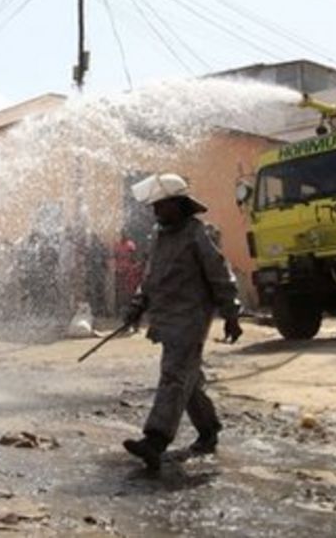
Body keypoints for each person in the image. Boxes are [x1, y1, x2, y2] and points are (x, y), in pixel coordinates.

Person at [121, 173, 242, 472]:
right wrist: (137, 306)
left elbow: (219, 274)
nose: (155, 210)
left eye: (161, 205)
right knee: (188, 379)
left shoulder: (197, 234)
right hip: (166, 317)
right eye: (154, 205)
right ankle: (209, 430)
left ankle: (155, 440)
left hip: (191, 318)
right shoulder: (160, 235)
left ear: (179, 204)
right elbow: (151, 276)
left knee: (174, 376)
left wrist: (231, 314)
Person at [113, 229, 140, 315]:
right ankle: (118, 310)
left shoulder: (130, 245)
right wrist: (116, 267)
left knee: (129, 291)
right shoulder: (117, 245)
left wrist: (134, 266)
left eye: (124, 234)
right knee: (119, 291)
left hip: (129, 271)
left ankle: (129, 309)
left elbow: (134, 257)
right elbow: (115, 257)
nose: (123, 236)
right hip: (119, 271)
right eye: (122, 234)